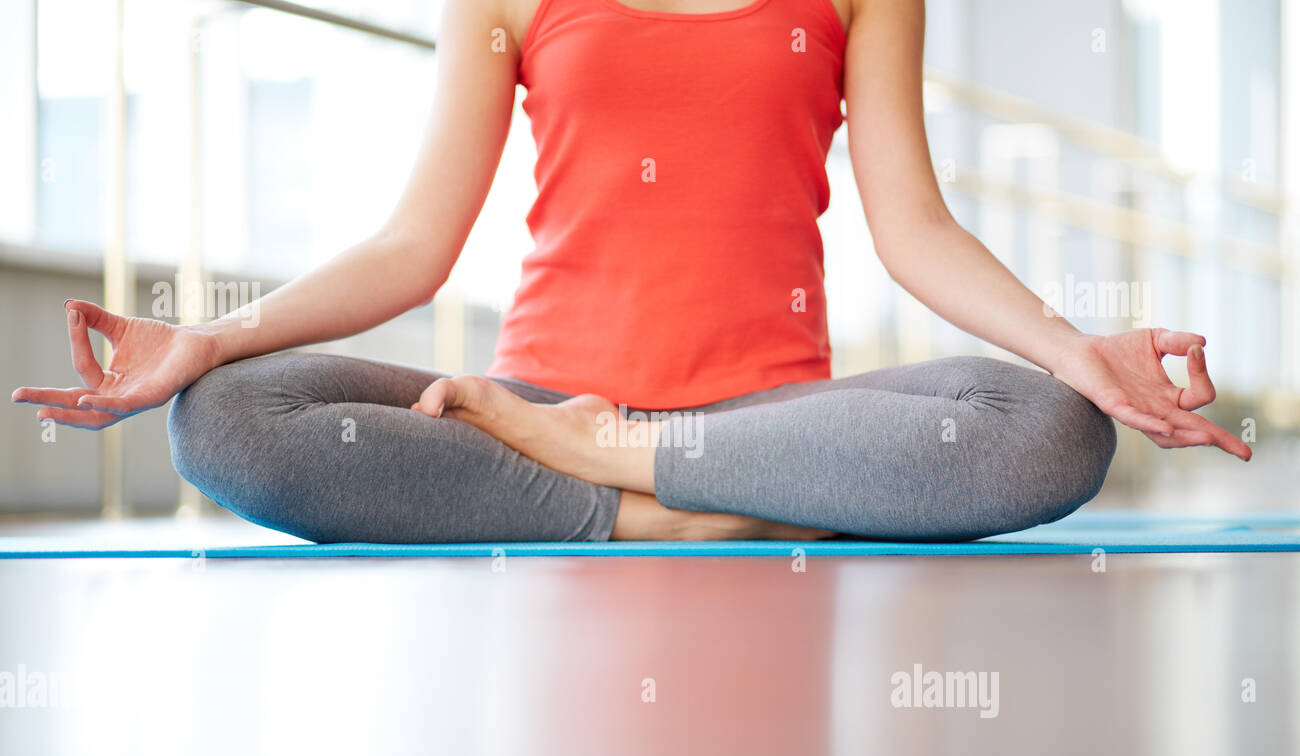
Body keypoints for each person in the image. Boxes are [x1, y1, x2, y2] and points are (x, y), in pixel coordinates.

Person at [12, 0, 1250, 544]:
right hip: (535, 413)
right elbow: (413, 245)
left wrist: (1075, 351)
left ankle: (635, 474)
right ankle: (686, 505)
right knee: (225, 420)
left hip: (765, 418)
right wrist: (212, 340)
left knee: (1049, 427)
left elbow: (913, 227)